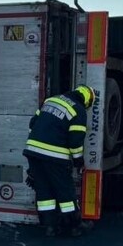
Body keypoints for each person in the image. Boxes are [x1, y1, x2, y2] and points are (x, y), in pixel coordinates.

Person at [24, 85, 94, 237]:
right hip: (54, 156)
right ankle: (74, 226)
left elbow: (33, 123)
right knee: (65, 190)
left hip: (33, 151)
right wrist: (78, 162)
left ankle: (50, 226)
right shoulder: (79, 110)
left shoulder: (51, 100)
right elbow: (75, 141)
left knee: (44, 191)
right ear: (87, 101)